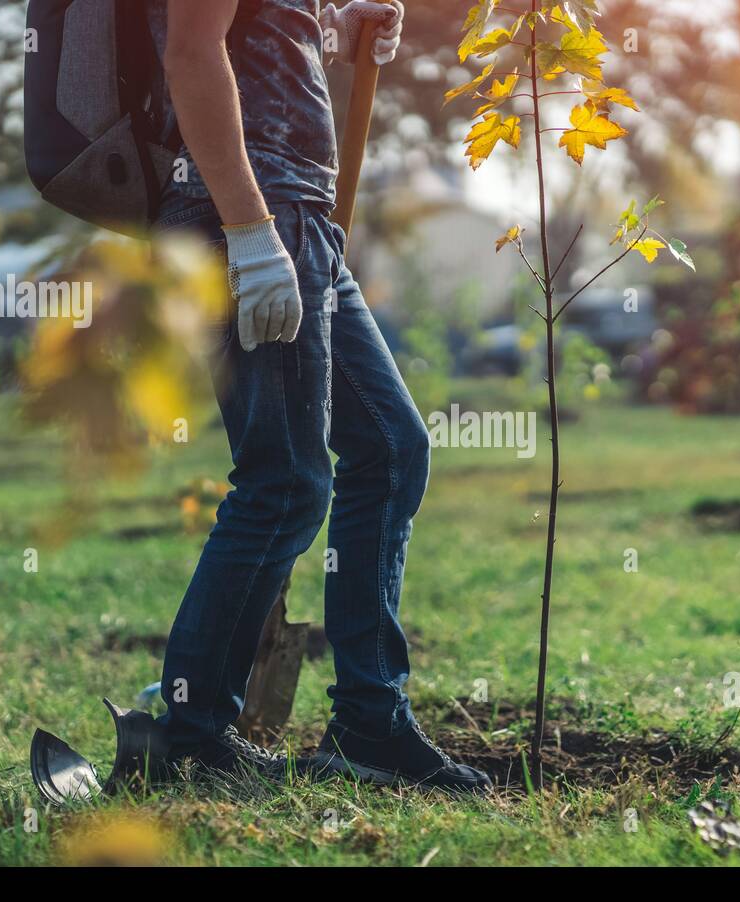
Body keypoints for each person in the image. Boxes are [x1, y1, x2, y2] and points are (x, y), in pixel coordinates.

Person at [146, 0, 491, 793]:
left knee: (390, 447)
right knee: (285, 481)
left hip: (301, 221)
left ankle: (370, 724)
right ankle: (190, 740)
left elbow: (253, 39)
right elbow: (193, 52)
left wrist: (329, 25)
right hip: (259, 216)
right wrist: (247, 230)